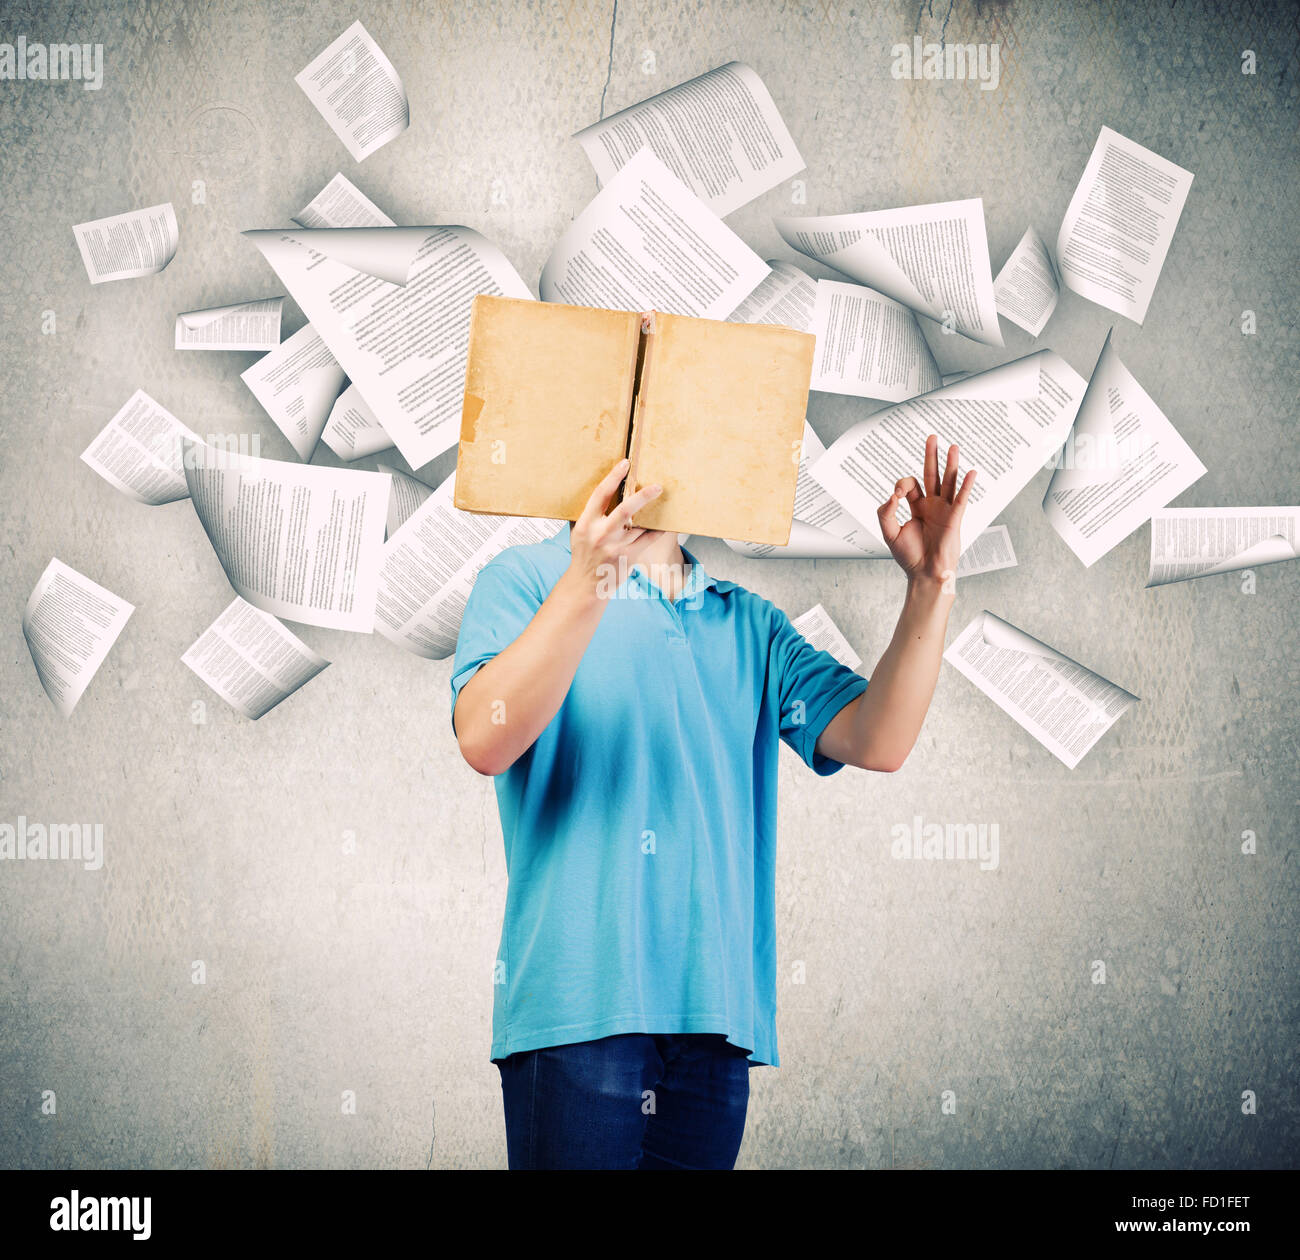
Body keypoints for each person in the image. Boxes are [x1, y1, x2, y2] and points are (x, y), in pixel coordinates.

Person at [450, 434, 975, 1169]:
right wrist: (590, 576)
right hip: (577, 1014)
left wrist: (932, 584)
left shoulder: (750, 624)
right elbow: (483, 739)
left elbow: (879, 739)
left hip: (715, 1021)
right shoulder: (528, 580)